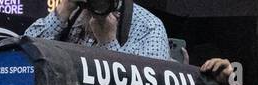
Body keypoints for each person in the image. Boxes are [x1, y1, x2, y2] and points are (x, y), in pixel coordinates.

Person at [24, 0, 172, 62]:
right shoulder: (75, 12)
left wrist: (109, 43)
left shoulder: (149, 26)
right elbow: (22, 54)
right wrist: (63, 10)